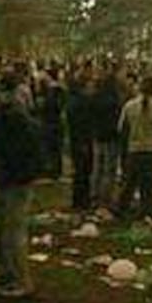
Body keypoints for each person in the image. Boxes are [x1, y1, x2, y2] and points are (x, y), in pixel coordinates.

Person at [0, 76, 44, 299]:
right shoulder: (25, 120)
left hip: (5, 181)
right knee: (10, 231)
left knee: (5, 232)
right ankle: (11, 277)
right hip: (18, 181)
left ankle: (15, 278)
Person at [117, 74, 152, 219]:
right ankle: (148, 209)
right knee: (151, 184)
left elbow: (122, 128)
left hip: (134, 148)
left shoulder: (129, 106)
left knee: (130, 182)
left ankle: (122, 207)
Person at [90, 70, 123, 207]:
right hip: (111, 137)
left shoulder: (95, 97)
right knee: (110, 169)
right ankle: (106, 197)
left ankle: (94, 194)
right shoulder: (115, 100)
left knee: (97, 167)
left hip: (98, 135)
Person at [66, 68, 95, 211]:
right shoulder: (82, 102)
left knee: (80, 171)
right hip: (82, 140)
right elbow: (83, 123)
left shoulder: (73, 100)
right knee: (83, 171)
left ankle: (79, 200)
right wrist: (84, 141)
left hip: (76, 140)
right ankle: (82, 200)